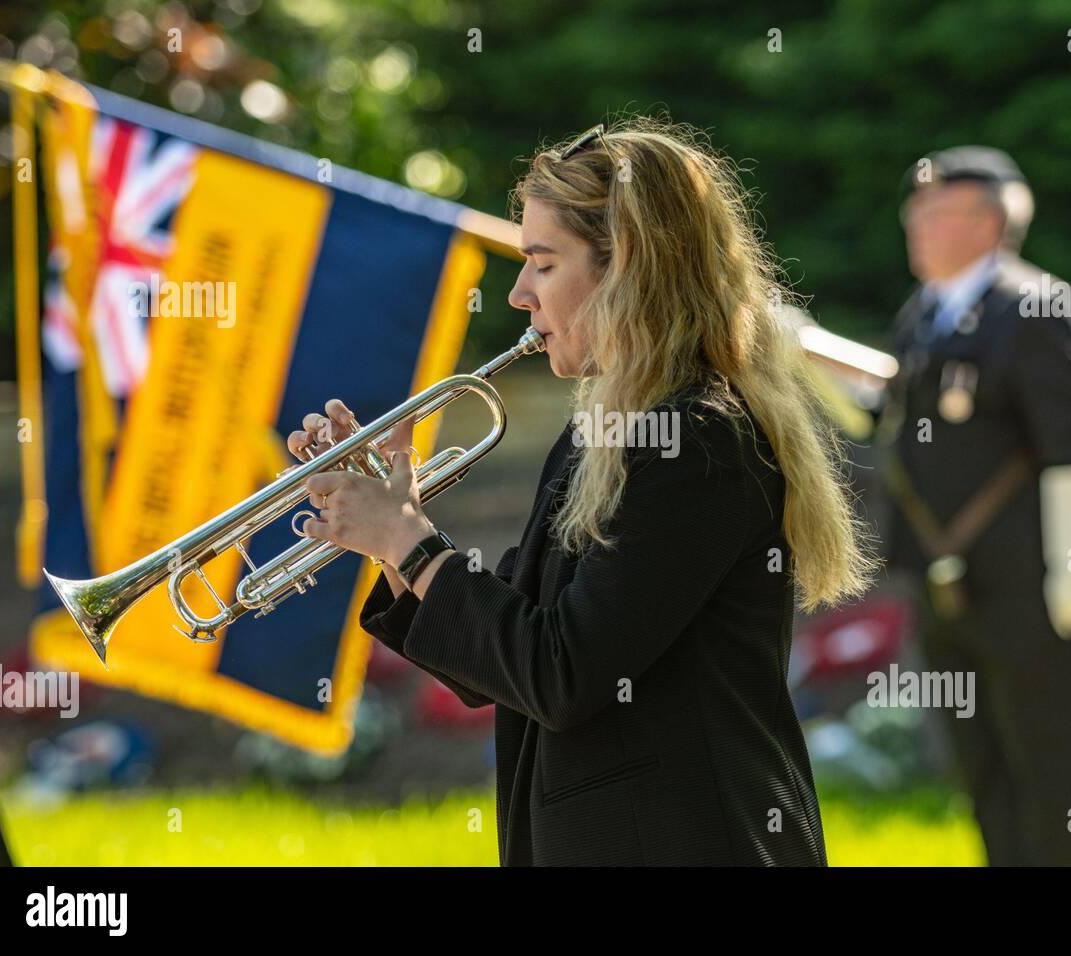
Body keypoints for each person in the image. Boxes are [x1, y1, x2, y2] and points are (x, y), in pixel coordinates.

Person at [286, 119, 879, 866]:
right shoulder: (601, 433)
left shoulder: (694, 440)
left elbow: (560, 672)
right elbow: (506, 666)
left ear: (629, 268)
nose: (518, 294)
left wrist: (405, 535)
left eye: (542, 263)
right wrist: (391, 529)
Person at [878, 146, 1071, 866]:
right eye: (913, 212)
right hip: (943, 575)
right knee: (979, 764)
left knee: (1044, 768)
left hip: (1027, 577)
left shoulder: (1033, 306)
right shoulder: (922, 311)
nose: (915, 226)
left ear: (990, 224)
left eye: (936, 212)